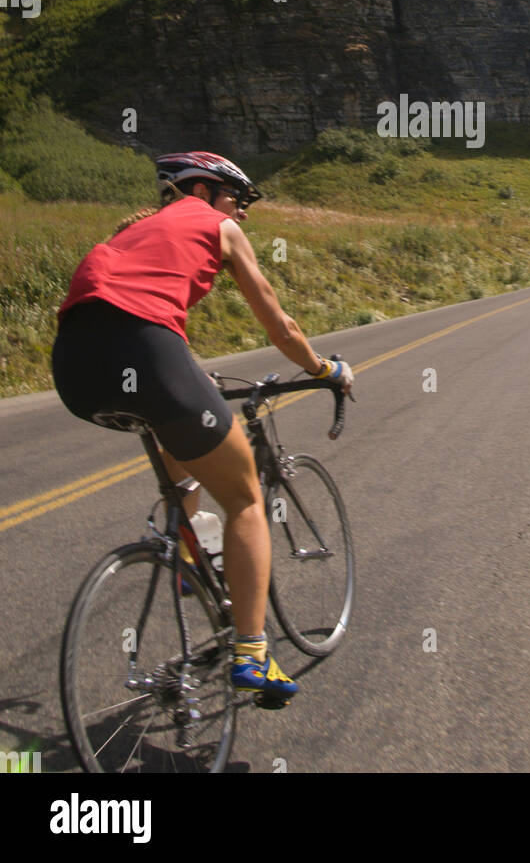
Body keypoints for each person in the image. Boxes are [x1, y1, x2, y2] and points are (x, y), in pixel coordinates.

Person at [51, 150, 353, 703]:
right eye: (236, 199)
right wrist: (324, 368)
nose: (240, 212)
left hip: (73, 367)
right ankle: (254, 655)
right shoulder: (217, 226)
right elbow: (281, 327)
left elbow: (117, 310)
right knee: (244, 500)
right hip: (147, 351)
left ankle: (186, 550)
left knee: (179, 441)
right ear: (205, 190)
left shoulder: (136, 230)